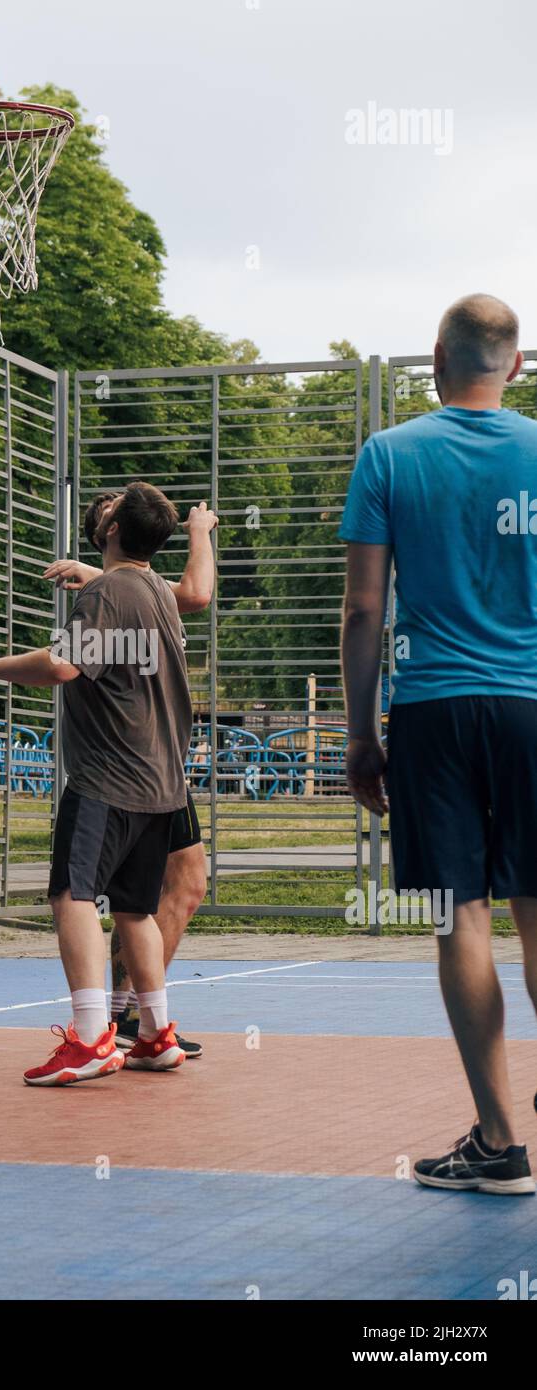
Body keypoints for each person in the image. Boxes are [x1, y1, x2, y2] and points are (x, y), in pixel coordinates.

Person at [340, 293, 537, 1195]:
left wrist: (358, 735)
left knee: (461, 916)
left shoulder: (389, 454)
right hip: (531, 706)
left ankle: (500, 1144)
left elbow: (365, 610)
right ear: (518, 365)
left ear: (435, 359)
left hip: (433, 708)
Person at [0, 481, 194, 1086]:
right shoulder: (156, 591)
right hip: (160, 783)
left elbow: (63, 665)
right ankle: (154, 1034)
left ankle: (94, 1038)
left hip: (108, 778)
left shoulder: (110, 590)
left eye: (115, 505)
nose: (106, 506)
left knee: (71, 896)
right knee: (134, 910)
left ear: (116, 530)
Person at [43, 493, 218, 1058]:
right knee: (130, 901)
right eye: (108, 504)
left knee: (178, 889)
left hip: (153, 763)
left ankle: (132, 1022)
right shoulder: (123, 589)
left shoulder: (125, 583)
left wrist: (195, 531)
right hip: (135, 763)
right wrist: (197, 530)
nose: (114, 503)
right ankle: (129, 1019)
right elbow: (186, 593)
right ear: (109, 529)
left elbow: (192, 593)